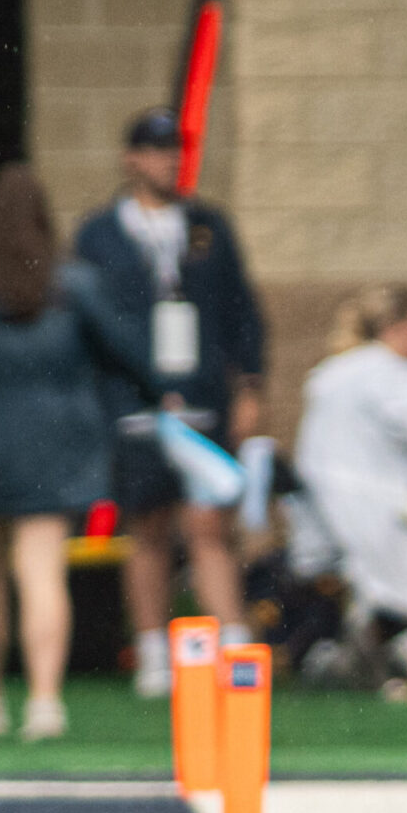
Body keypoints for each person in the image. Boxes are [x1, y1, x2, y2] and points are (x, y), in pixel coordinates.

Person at [0, 164, 155, 740]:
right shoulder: (75, 284)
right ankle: (45, 702)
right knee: (42, 570)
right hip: (62, 439)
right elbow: (129, 352)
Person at [74, 107, 268, 698]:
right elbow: (89, 321)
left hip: (202, 393)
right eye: (157, 152)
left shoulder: (208, 228)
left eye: (175, 152)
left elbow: (241, 311)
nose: (169, 163)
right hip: (135, 398)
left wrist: (250, 385)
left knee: (209, 522)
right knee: (149, 524)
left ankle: (232, 638)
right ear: (132, 159)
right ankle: (153, 649)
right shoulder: (101, 234)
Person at [293, 286, 407, 694]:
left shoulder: (330, 373)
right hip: (382, 511)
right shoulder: (393, 374)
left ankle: (370, 644)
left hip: (327, 512)